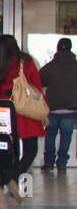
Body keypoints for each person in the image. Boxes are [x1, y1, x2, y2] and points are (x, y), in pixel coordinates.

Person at [0, 34, 45, 199]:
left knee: (10, 152)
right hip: (27, 111)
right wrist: (43, 110)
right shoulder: (26, 61)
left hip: (6, 111)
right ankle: (10, 178)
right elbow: (37, 85)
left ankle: (6, 178)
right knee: (31, 150)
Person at [40, 37, 77, 170]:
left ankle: (49, 162)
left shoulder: (51, 66)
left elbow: (39, 81)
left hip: (52, 108)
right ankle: (62, 163)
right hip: (71, 108)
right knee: (66, 137)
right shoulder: (75, 65)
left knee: (50, 136)